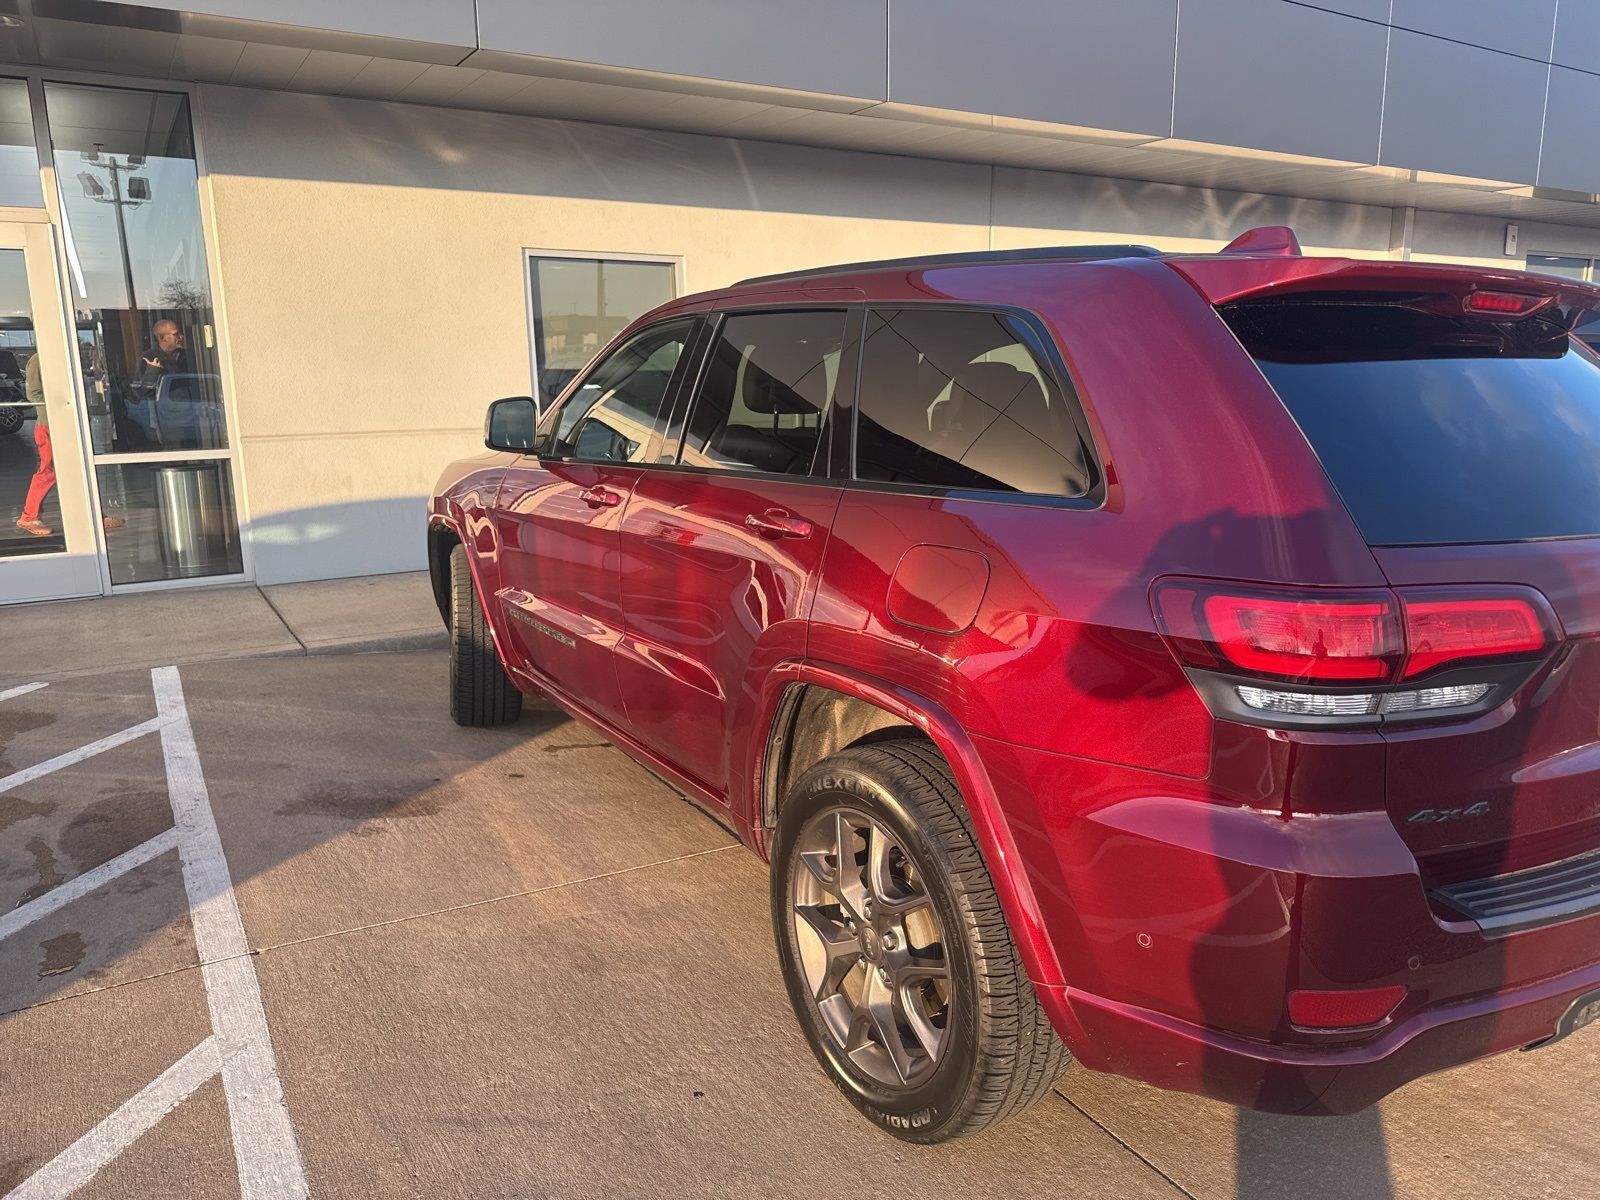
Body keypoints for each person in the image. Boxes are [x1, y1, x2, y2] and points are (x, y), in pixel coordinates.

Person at [15, 353, 53, 537]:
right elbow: (34, 394)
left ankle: (94, 514)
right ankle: (29, 516)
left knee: (78, 470)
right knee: (48, 470)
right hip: (50, 426)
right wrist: (54, 415)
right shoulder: (39, 359)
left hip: (64, 424)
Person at [135, 319, 187, 393]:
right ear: (162, 337)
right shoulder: (148, 358)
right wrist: (153, 371)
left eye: (180, 333)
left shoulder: (185, 354)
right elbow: (140, 393)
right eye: (176, 334)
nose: (180, 337)